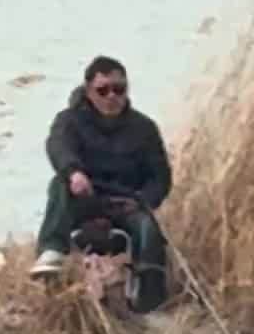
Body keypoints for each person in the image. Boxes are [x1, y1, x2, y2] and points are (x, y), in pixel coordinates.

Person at [30, 56, 172, 312]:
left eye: (119, 89)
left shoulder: (144, 128)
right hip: (85, 196)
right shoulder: (69, 120)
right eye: (102, 90)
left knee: (148, 230)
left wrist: (143, 200)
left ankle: (150, 301)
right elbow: (58, 147)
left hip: (126, 202)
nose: (111, 97)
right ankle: (52, 251)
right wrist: (74, 172)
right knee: (59, 185)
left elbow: (161, 177)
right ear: (88, 91)